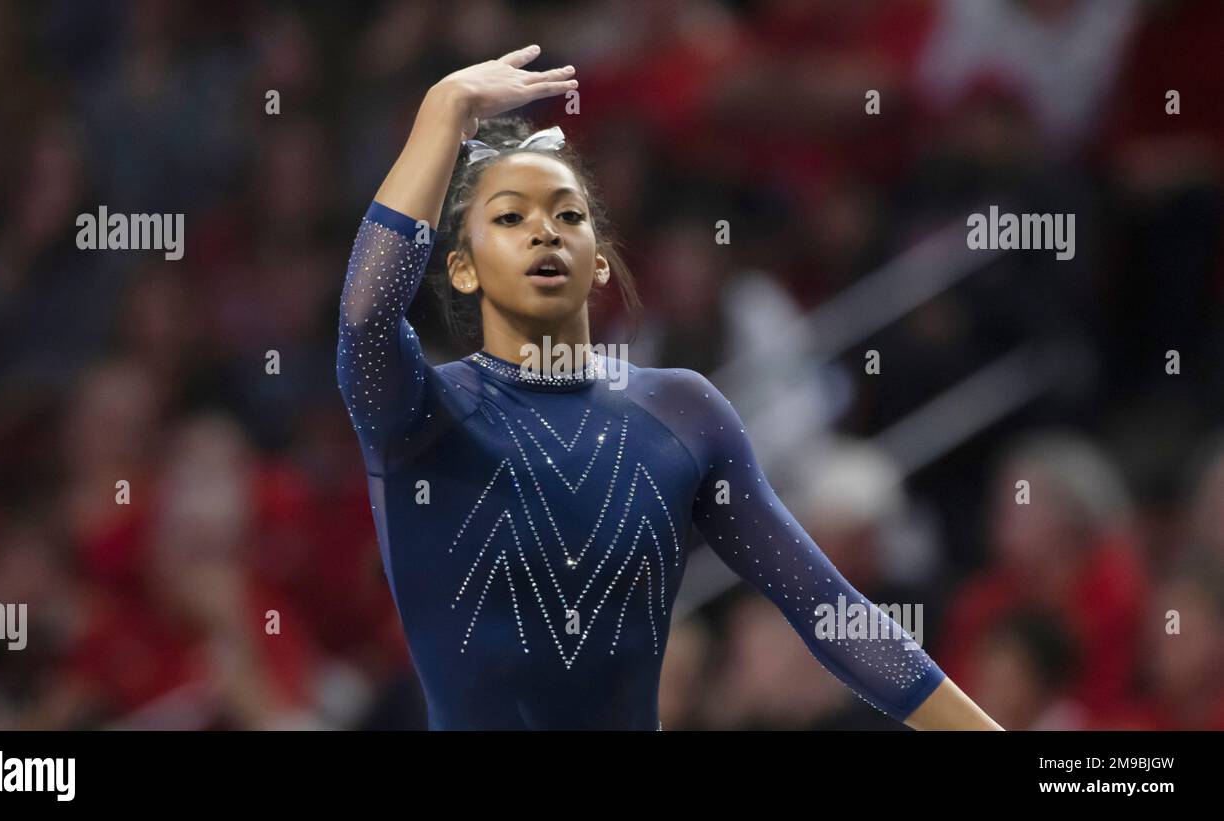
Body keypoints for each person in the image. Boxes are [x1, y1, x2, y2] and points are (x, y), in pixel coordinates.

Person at [337, 44, 1000, 730]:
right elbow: (364, 316)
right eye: (510, 218)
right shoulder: (425, 411)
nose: (545, 233)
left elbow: (829, 611)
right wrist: (441, 113)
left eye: (567, 216)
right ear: (465, 270)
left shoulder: (681, 412)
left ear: (598, 262)